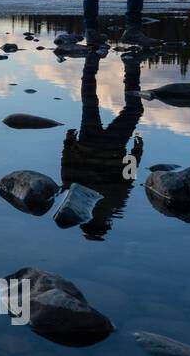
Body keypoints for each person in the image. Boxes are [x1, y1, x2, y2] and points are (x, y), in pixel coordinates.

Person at [59, 51, 144, 240]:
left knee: (134, 110)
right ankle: (92, 59)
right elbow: (66, 172)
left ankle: (130, 64)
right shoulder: (76, 201)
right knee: (89, 102)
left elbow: (128, 177)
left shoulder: (113, 203)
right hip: (88, 143)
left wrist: (137, 150)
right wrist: (68, 143)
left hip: (111, 146)